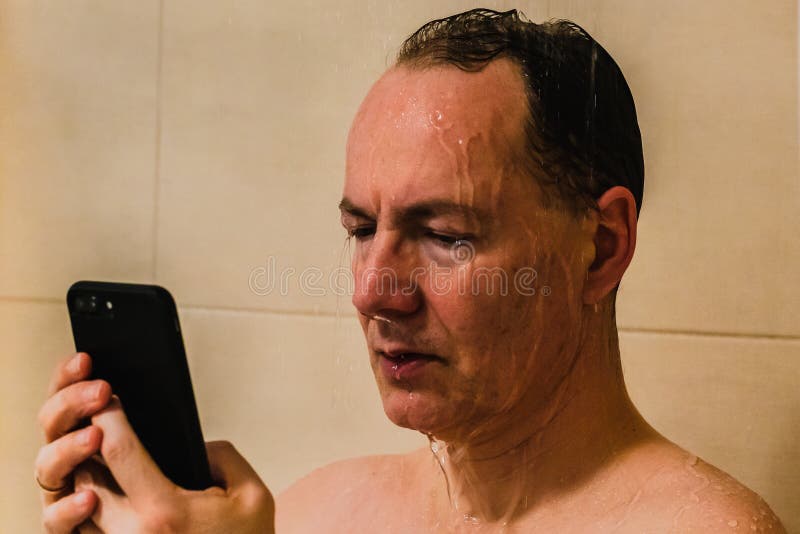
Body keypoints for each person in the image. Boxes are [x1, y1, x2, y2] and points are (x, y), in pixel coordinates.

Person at [35, 8, 786, 533]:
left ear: (601, 248)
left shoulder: (706, 528)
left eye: (446, 236)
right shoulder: (312, 515)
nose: (372, 291)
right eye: (362, 229)